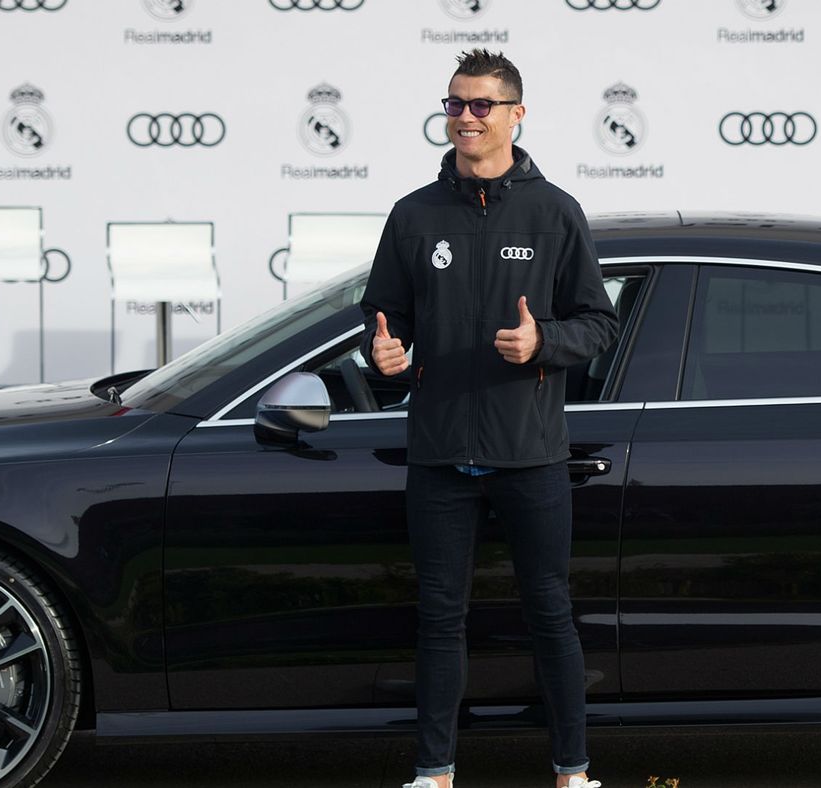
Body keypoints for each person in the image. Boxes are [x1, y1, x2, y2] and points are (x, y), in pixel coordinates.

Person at [359, 49, 618, 788]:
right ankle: (434, 772)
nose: (464, 118)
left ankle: (573, 771)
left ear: (516, 114)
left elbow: (599, 324)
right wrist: (386, 353)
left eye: (481, 106)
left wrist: (546, 341)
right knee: (439, 619)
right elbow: (383, 317)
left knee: (549, 615)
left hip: (531, 452)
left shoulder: (554, 212)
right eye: (454, 105)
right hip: (439, 452)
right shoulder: (414, 215)